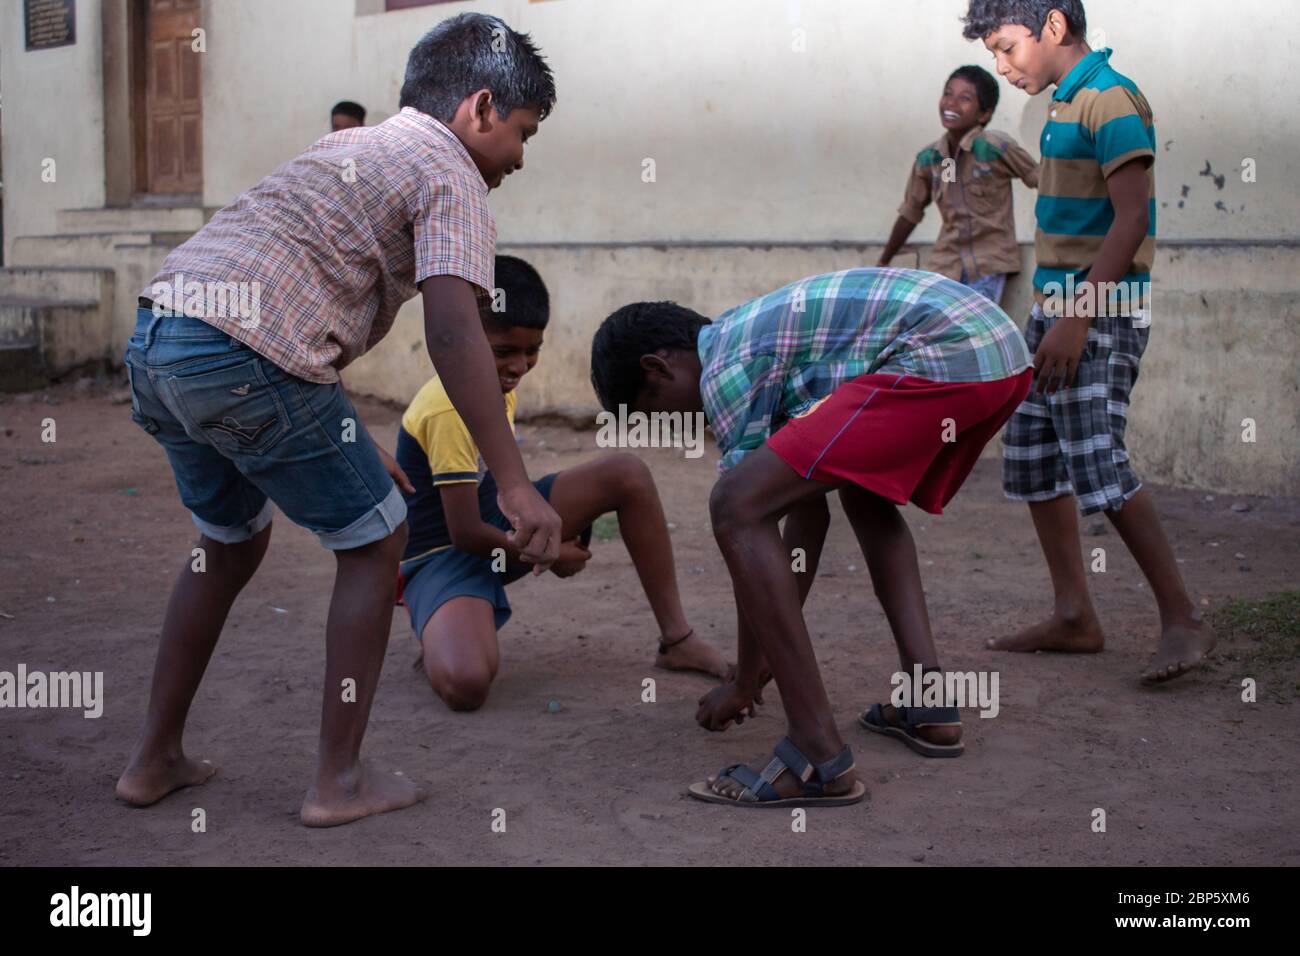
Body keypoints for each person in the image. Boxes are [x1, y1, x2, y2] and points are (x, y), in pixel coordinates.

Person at [116, 13, 561, 827]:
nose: (521, 158)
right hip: (245, 361)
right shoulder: (452, 171)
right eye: (525, 133)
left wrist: (347, 432)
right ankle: (338, 781)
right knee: (377, 538)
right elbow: (456, 328)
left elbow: (291, 296)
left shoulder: (347, 148)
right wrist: (514, 481)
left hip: (160, 341)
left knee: (230, 540)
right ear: (482, 108)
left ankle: (153, 760)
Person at [590, 268, 1032, 806]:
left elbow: (747, 514)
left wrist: (745, 680)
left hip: (948, 351)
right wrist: (754, 668)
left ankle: (816, 752)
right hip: (996, 352)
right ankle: (928, 702)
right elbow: (804, 516)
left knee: (734, 504)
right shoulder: (753, 340)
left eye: (659, 414)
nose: (682, 424)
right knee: (863, 495)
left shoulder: (724, 369)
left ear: (658, 369)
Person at [963, 0, 1215, 682]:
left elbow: (1131, 219)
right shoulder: (1059, 107)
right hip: (1056, 311)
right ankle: (1075, 614)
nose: (1003, 66)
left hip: (1099, 315)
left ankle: (1181, 618)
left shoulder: (1110, 100)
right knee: (1035, 457)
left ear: (1051, 25)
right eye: (992, 54)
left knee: (1098, 463)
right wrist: (1057, 314)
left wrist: (1077, 316)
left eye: (1008, 47)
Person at [397, 256, 729, 712]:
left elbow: (497, 489)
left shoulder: (497, 385)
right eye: (504, 352)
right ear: (466, 337)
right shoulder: (446, 407)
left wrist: (543, 527)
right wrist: (550, 552)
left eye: (531, 350)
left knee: (625, 474)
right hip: (443, 555)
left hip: (492, 523)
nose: (519, 366)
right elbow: (464, 533)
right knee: (466, 685)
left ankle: (678, 639)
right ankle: (436, 619)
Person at [878, 65, 1038, 305]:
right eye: (948, 94)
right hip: (946, 264)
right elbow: (911, 212)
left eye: (964, 98)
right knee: (938, 331)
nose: (951, 103)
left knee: (973, 332)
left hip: (988, 263)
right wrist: (884, 260)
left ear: (984, 114)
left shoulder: (994, 147)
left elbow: (1042, 179)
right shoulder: (931, 158)